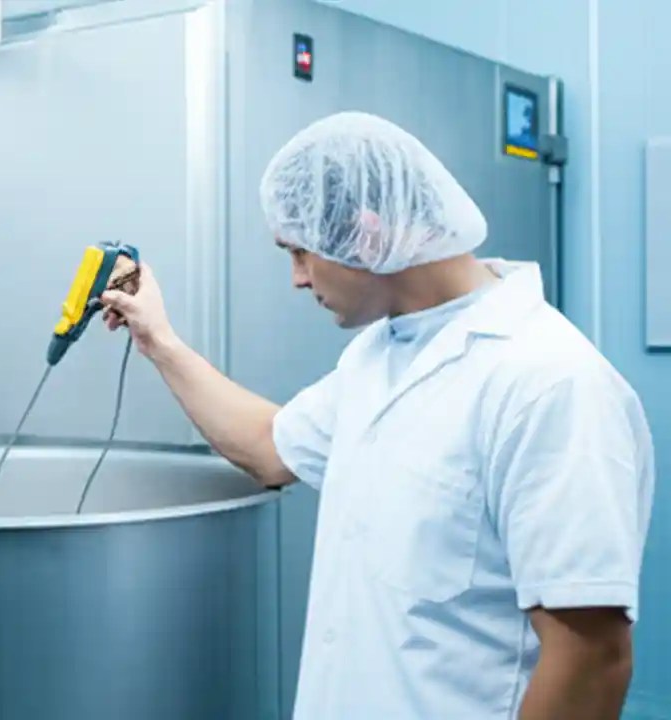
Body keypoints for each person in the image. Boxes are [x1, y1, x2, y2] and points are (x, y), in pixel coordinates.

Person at [99, 111, 655, 720]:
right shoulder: (379, 355)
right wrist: (159, 340)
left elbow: (590, 658)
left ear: (366, 234)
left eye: (301, 253)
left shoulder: (550, 384)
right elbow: (268, 447)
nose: (296, 279)